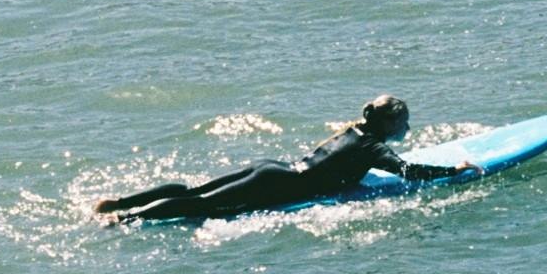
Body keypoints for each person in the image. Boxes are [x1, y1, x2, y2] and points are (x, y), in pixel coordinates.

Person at [93, 94, 452, 225]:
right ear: (389, 124)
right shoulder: (373, 147)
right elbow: (409, 171)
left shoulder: (355, 130)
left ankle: (119, 202)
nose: (407, 127)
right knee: (200, 205)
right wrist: (455, 171)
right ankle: (125, 217)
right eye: (404, 122)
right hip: (278, 185)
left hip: (272, 168)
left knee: (195, 191)